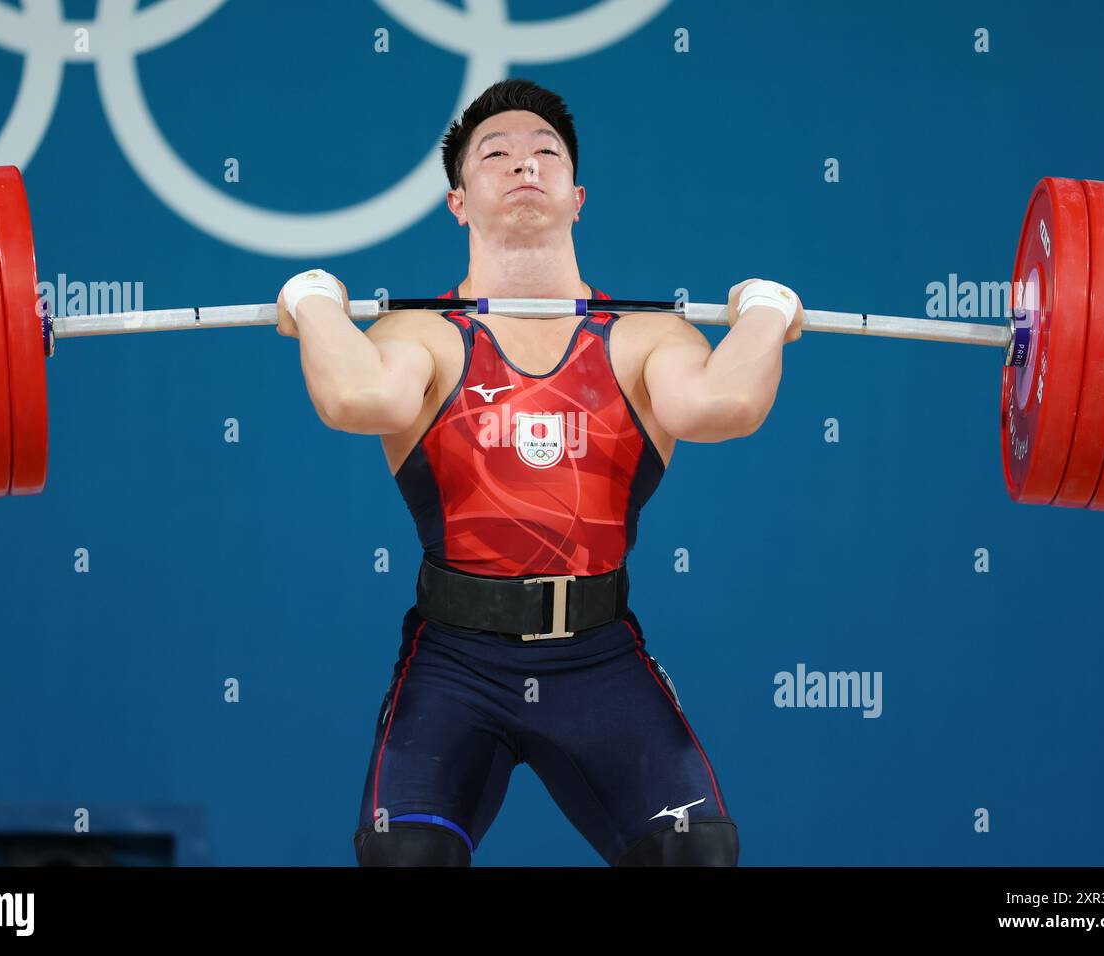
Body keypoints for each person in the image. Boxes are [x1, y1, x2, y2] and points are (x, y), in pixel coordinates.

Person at [275, 79, 804, 866]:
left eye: (544, 154)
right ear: (459, 202)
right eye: (496, 154)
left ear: (578, 196)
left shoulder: (644, 336)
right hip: (456, 662)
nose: (523, 166)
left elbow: (720, 406)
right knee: (405, 858)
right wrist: (316, 302)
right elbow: (358, 395)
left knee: (696, 855)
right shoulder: (422, 333)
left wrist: (766, 311)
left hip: (599, 660)